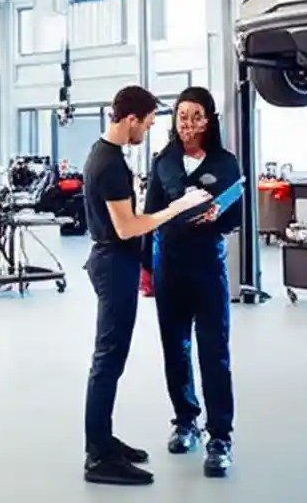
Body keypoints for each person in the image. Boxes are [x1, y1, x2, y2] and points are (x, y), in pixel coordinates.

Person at [81, 85, 212, 486]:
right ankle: (98, 457)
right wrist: (176, 208)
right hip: (112, 263)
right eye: (149, 122)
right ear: (131, 119)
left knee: (112, 357)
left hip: (113, 260)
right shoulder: (110, 165)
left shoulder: (105, 155)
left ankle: (103, 440)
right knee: (109, 359)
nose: (150, 130)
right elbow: (127, 226)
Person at [142, 86, 242, 478]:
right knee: (175, 348)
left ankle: (220, 437)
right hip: (169, 265)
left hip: (207, 266)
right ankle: (186, 420)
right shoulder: (163, 161)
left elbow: (236, 216)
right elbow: (150, 214)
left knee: (214, 351)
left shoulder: (225, 162)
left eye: (195, 115)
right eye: (182, 115)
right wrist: (145, 268)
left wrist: (217, 215)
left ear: (209, 120)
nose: (188, 123)